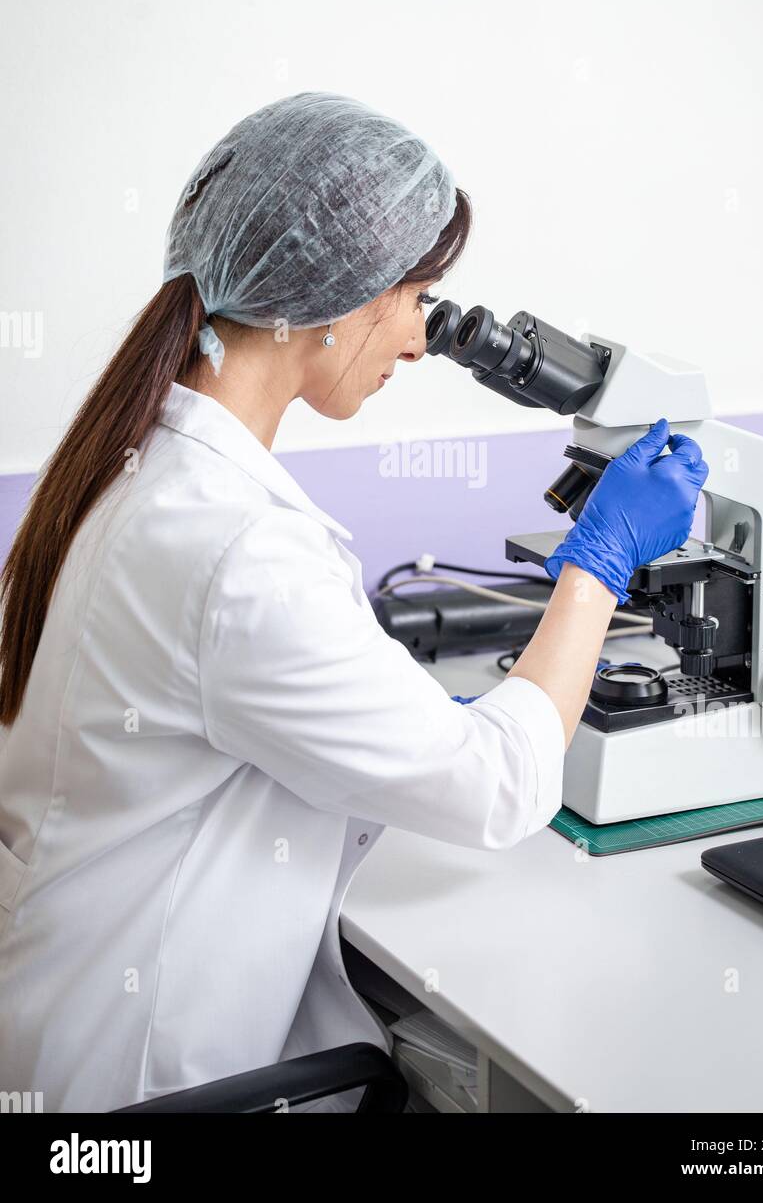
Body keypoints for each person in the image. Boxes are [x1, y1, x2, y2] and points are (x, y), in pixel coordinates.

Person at [0, 92, 708, 1112]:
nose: (422, 341)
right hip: (144, 1082)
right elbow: (497, 789)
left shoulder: (128, 463)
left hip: (61, 1025)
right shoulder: (240, 547)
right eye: (417, 295)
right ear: (332, 299)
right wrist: (596, 561)